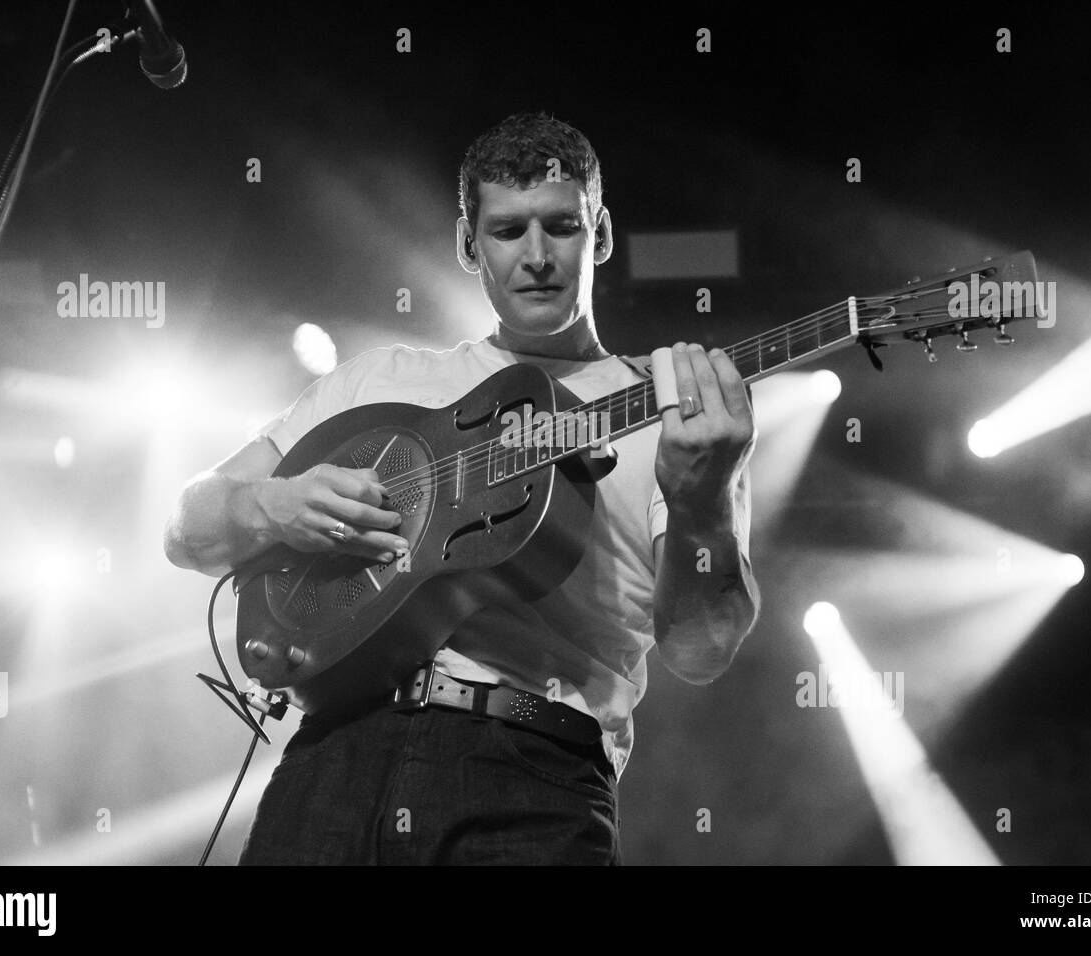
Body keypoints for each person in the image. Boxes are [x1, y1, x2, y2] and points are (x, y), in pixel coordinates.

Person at [163, 112, 760, 865]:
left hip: (531, 782)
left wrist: (702, 502)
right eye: (509, 231)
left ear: (600, 234)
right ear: (467, 244)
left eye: (562, 227)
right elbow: (187, 533)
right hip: (332, 760)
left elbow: (702, 650)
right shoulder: (379, 379)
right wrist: (268, 504)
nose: (538, 257)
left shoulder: (674, 411)